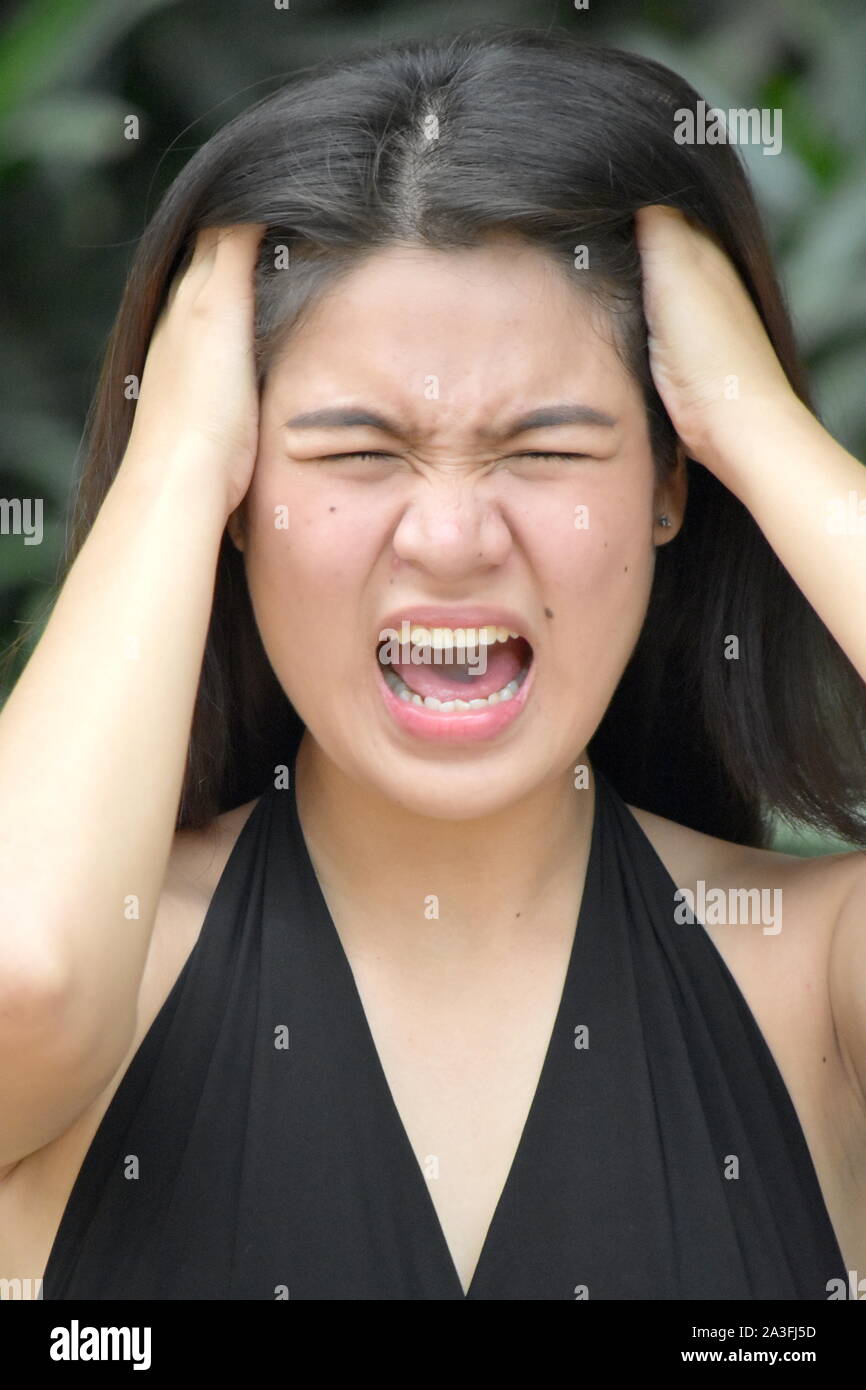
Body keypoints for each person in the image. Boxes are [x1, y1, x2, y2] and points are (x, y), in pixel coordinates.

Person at [0, 26, 864, 1301]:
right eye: (355, 453)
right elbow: (25, 972)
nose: (452, 538)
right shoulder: (101, 977)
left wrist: (751, 420)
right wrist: (172, 456)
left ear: (672, 485)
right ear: (236, 489)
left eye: (546, 450)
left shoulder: (810, 985)